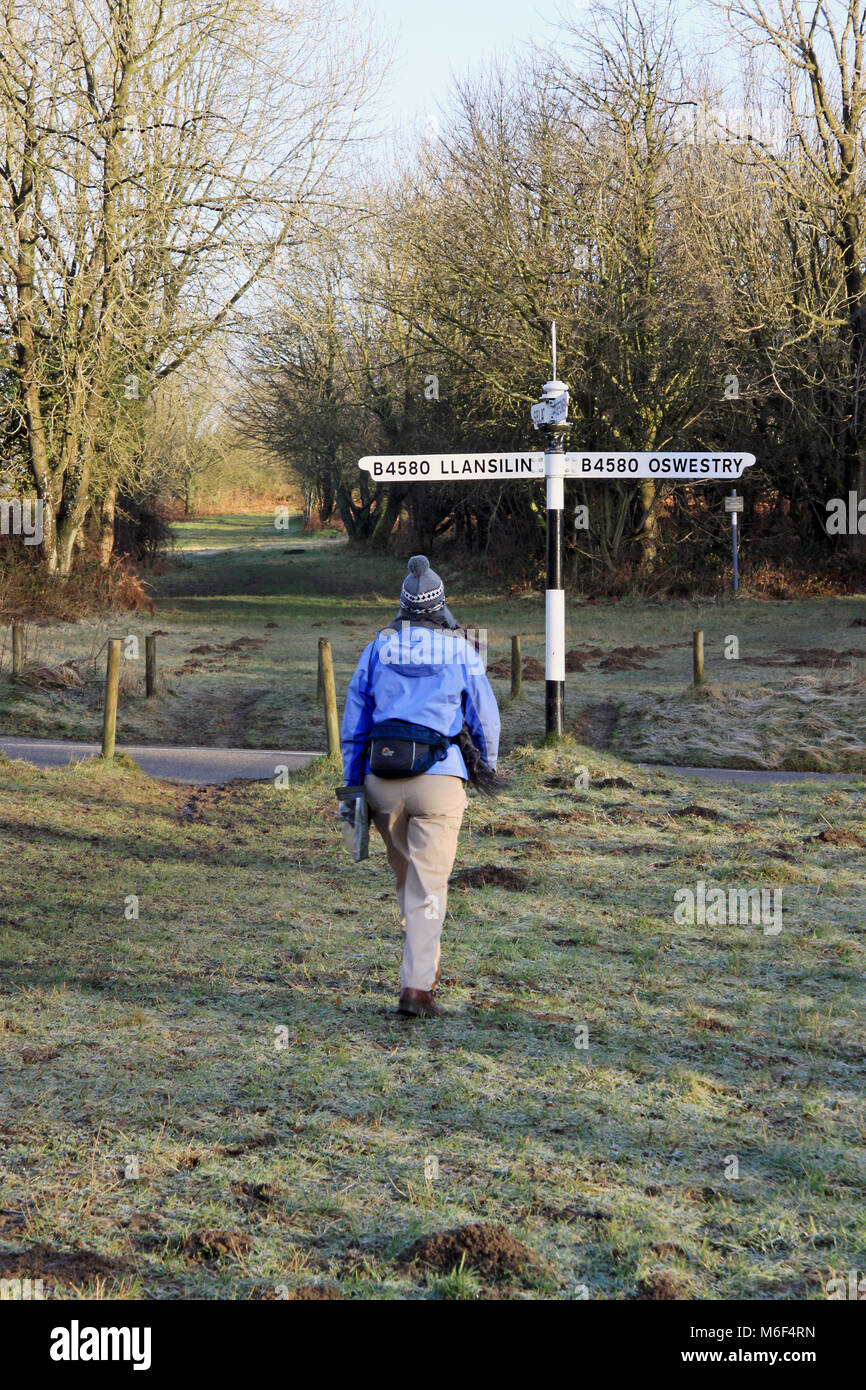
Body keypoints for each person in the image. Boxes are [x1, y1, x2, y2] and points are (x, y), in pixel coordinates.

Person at [340, 556, 500, 1017]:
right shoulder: (461, 650)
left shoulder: (377, 649)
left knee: (408, 880)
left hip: (381, 780)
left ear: (404, 606)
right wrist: (484, 767)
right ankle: (416, 990)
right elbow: (485, 720)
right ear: (440, 607)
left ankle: (417, 968)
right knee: (428, 888)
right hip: (440, 779)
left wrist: (355, 785)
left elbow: (355, 724)